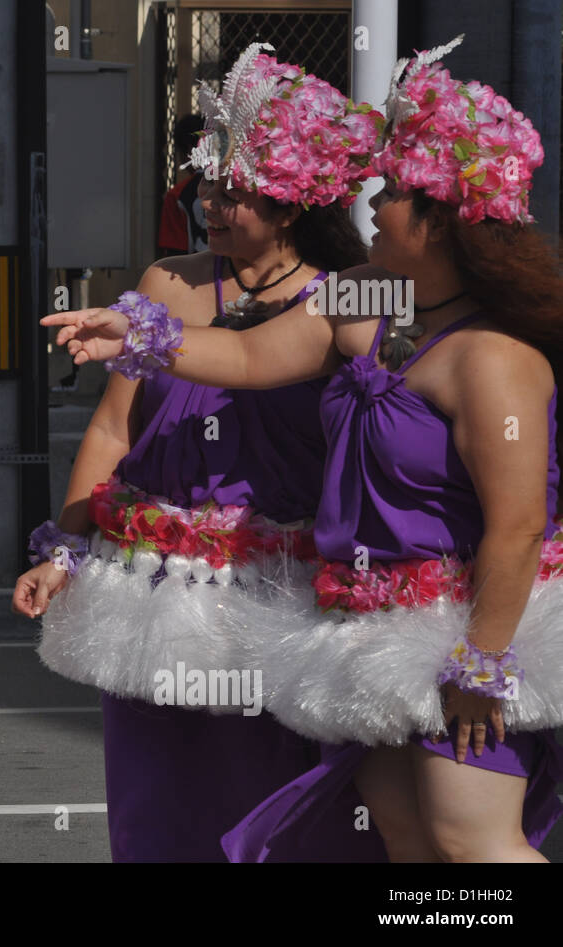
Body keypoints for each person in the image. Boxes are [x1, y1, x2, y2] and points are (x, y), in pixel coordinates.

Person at [45, 37, 563, 862]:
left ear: (440, 222)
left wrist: (482, 663)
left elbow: (518, 526)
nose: (374, 204)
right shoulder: (375, 302)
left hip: (470, 627)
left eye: (393, 191)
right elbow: (248, 356)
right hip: (378, 628)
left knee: (473, 839)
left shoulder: (493, 359)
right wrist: (137, 329)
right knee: (403, 831)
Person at [15, 44, 385, 861]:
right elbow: (113, 429)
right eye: (208, 187)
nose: (214, 206)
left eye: (238, 194)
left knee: (275, 803)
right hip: (151, 593)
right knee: (157, 806)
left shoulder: (349, 294)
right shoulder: (166, 282)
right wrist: (66, 546)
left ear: (291, 206)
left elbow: (396, 372)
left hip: (278, 595)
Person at [157, 114, 208, 256]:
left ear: (188, 150)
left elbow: (175, 251)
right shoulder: (234, 186)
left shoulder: (178, 195)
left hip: (193, 273)